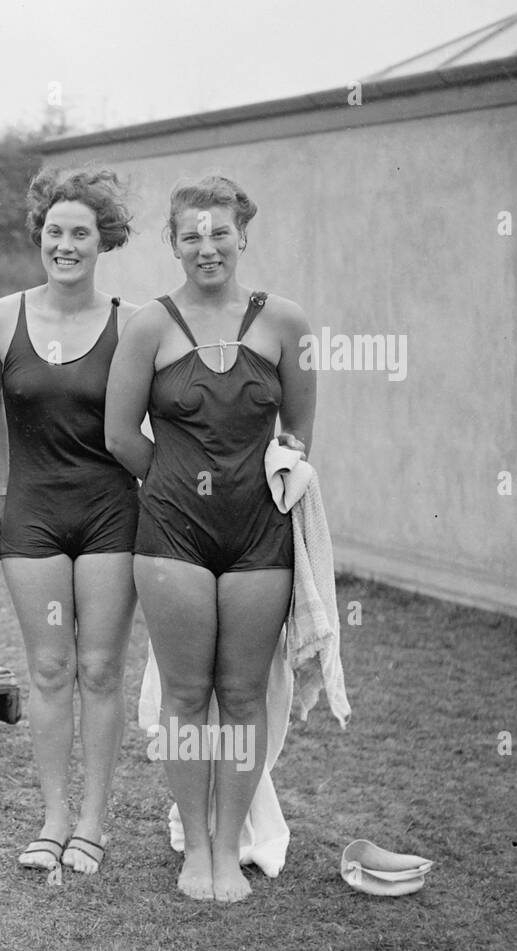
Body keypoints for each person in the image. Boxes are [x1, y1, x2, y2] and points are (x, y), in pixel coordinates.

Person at [104, 176, 316, 901]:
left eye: (219, 232)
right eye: (191, 235)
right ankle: (196, 847)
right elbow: (117, 434)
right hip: (172, 536)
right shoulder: (149, 326)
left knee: (246, 694)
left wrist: (260, 485)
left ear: (243, 235)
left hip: (261, 535)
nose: (207, 246)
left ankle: (231, 847)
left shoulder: (285, 322)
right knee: (187, 697)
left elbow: (298, 437)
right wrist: (175, 483)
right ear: (173, 245)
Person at [0, 166, 140, 874]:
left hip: (109, 513)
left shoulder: (133, 324)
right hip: (33, 514)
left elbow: (173, 419)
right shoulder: (2, 319)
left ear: (105, 242)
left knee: (99, 669)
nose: (65, 244)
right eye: (54, 231)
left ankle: (93, 824)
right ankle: (53, 818)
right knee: (48, 667)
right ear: (39, 234)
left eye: (81, 233)